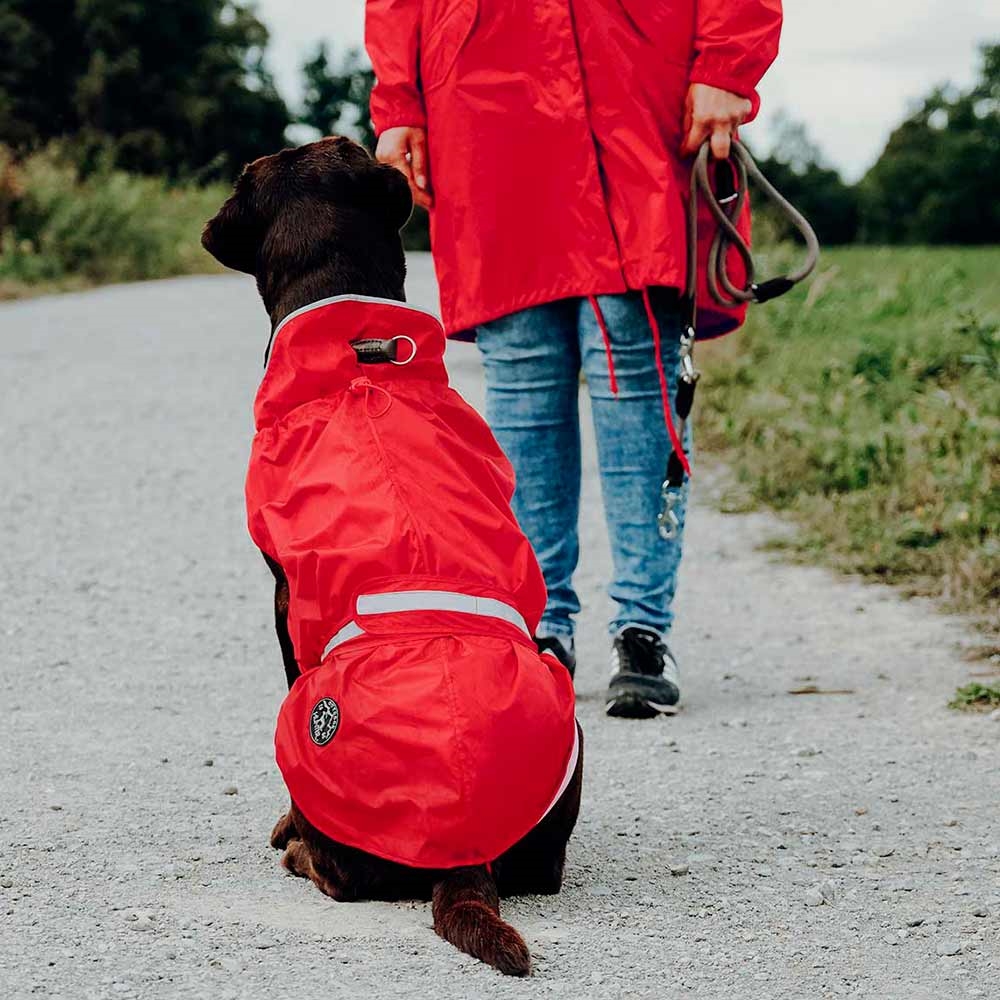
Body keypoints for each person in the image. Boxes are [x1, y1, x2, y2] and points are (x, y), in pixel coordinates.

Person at [366, 0, 782, 718]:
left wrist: (726, 62)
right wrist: (399, 98)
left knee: (633, 363)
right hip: (480, 88)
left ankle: (643, 627)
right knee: (522, 382)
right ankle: (539, 626)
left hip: (630, 79)